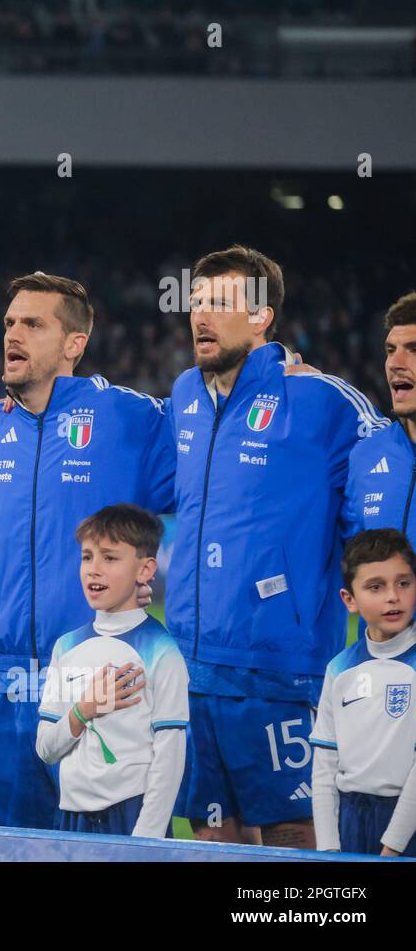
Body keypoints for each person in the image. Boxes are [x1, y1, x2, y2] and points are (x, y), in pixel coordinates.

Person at [169, 245, 388, 848]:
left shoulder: (323, 403)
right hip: (194, 667)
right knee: (212, 832)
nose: (200, 316)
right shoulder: (186, 395)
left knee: (297, 831)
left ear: (263, 316)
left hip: (281, 667)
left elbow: (391, 484)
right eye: (195, 302)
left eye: (219, 303)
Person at [0, 272, 174, 829]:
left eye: (33, 324)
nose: (13, 333)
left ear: (73, 344)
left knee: (96, 844)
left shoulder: (129, 417)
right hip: (9, 678)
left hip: (97, 677)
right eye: (10, 322)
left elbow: (212, 461)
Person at [35, 505, 188, 838]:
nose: (94, 570)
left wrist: (146, 838)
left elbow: (170, 755)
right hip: (72, 821)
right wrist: (83, 711)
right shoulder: (65, 647)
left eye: (110, 558)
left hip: (133, 817)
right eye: (87, 557)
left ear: (146, 569)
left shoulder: (161, 651)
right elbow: (46, 748)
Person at [310, 529, 416, 857]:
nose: (392, 597)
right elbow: (325, 762)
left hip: (405, 823)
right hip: (350, 819)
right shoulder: (339, 669)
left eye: (404, 583)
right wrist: (328, 847)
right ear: (350, 600)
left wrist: (393, 847)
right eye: (375, 587)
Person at [344, 292, 416, 541]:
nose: (395, 363)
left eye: (413, 349)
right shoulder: (366, 455)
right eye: (390, 350)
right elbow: (354, 561)